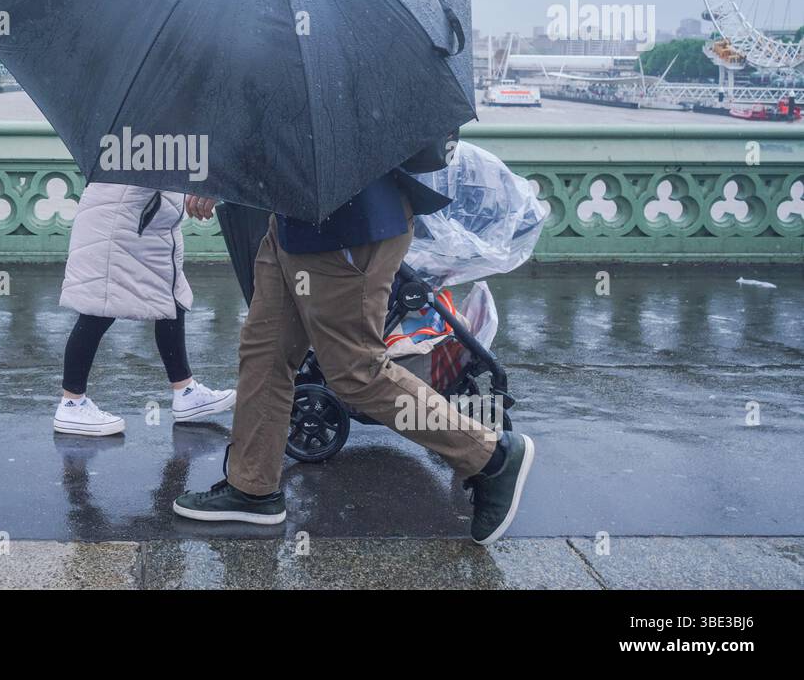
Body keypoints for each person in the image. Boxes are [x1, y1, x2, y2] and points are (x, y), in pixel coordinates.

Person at [172, 170, 536, 546]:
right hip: (292, 222)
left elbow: (299, 131)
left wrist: (222, 176)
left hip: (343, 227)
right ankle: (251, 488)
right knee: (265, 351)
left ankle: (491, 457)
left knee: (356, 371)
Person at [53, 182, 236, 436]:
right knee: (99, 307)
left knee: (172, 298)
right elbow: (163, 153)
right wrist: (205, 184)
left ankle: (185, 391)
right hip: (122, 220)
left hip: (145, 217)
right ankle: (71, 403)